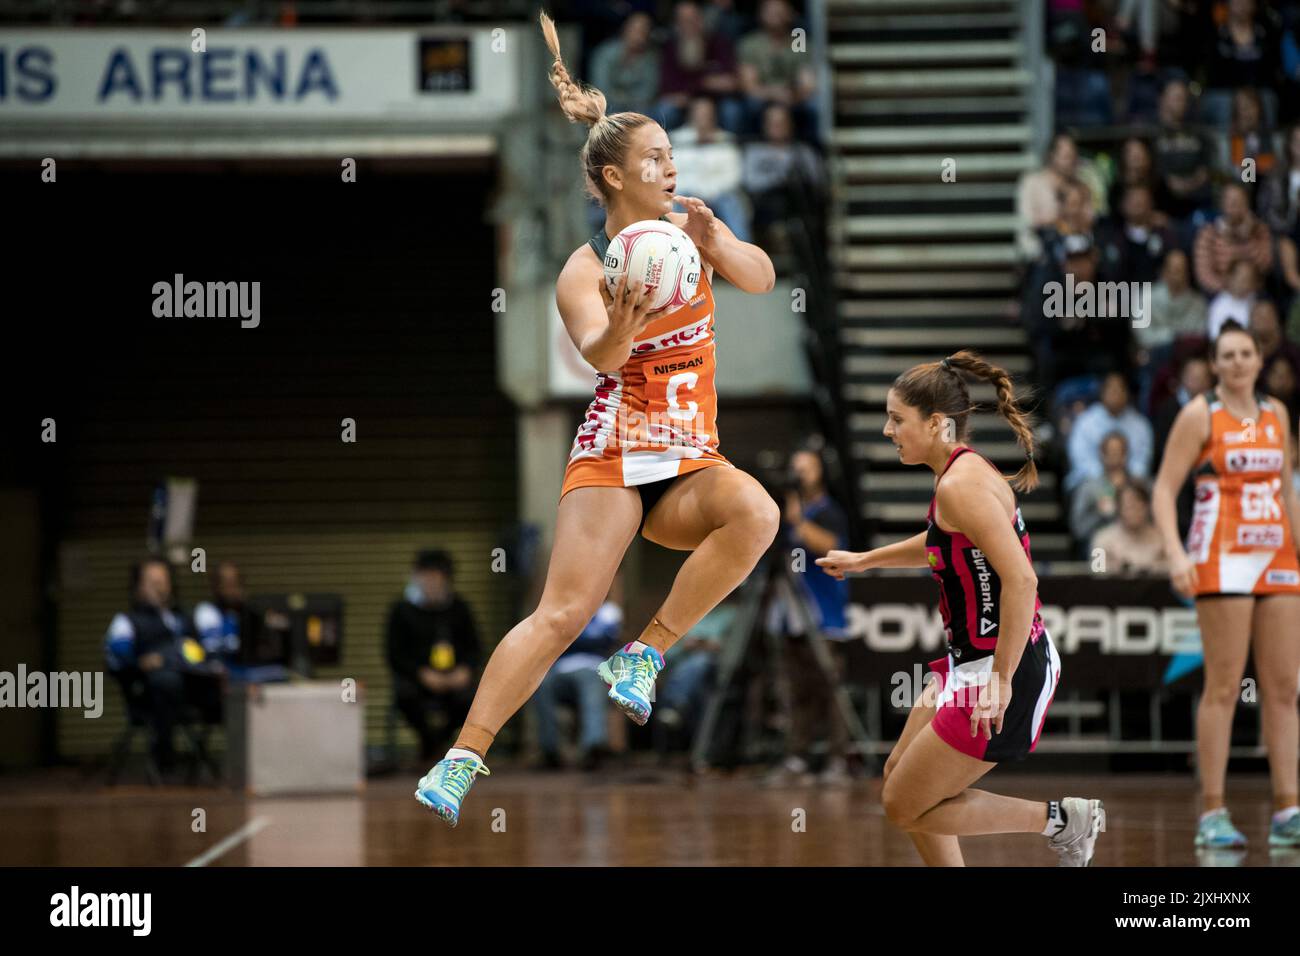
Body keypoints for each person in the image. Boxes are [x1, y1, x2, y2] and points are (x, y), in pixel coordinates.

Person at [414, 11, 779, 826]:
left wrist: (721, 240)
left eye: (672, 156)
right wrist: (621, 320)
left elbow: (761, 278)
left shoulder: (689, 231)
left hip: (690, 451)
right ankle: (462, 758)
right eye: (656, 159)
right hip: (619, 444)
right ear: (614, 177)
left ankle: (643, 653)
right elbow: (602, 358)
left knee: (757, 513)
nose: (671, 168)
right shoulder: (585, 267)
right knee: (562, 612)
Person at [817, 352, 1105, 866]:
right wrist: (865, 560)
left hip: (1002, 664)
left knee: (904, 805)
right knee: (899, 778)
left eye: (897, 419)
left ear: (936, 424)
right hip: (970, 662)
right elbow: (941, 542)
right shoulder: (958, 477)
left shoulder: (961, 485)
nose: (887, 430)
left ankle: (1062, 820)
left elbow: (1021, 579)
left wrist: (1001, 679)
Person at [1152, 321, 1300, 849]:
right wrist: (1175, 554)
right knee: (1223, 686)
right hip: (1221, 555)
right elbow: (1165, 489)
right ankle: (1212, 812)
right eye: (1227, 355)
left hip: (1276, 554)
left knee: (1284, 689)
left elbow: (1284, 488)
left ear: (1260, 361)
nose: (1238, 362)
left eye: (1246, 353)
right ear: (1215, 364)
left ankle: (1289, 809)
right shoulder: (1200, 415)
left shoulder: (1278, 414)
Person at [765, 444, 854, 785]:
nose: (799, 476)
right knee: (794, 690)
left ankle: (837, 760)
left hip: (824, 615)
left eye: (807, 469)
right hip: (790, 616)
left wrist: (797, 520)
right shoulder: (788, 513)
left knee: (830, 688)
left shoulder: (828, 511)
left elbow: (827, 546)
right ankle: (797, 757)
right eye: (795, 468)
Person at [386, 549, 483, 762]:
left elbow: (475, 647)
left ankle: (442, 740)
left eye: (436, 577)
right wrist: (421, 674)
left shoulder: (460, 608)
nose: (431, 582)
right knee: (406, 696)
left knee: (473, 698)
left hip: (454, 678)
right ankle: (429, 742)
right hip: (418, 680)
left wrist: (465, 670)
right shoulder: (402, 610)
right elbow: (394, 653)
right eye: (426, 576)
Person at [530, 586, 623, 770]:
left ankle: (593, 747)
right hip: (559, 671)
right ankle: (549, 749)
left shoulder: (608, 611)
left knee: (590, 682)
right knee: (538, 685)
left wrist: (570, 635)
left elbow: (602, 638)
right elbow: (548, 641)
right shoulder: (563, 608)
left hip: (593, 667)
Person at [1065, 371, 1154, 493]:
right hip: (1092, 481)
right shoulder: (1085, 422)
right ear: (1102, 393)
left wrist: (1124, 479)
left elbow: (1141, 462)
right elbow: (1081, 461)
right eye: (1111, 390)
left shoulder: (1140, 424)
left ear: (1127, 393)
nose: (1115, 394)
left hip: (1130, 482)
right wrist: (1107, 480)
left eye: (1119, 390)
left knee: (1150, 488)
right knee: (1086, 489)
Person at [1069, 431, 1131, 553]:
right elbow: (1078, 529)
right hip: (1100, 545)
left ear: (1126, 455)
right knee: (1099, 564)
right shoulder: (1088, 488)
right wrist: (1099, 514)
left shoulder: (1138, 487)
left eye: (1119, 452)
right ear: (1101, 454)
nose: (1114, 455)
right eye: (1110, 451)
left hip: (1135, 545)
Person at [1091, 481, 1168, 573]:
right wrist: (1116, 568)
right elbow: (1096, 573)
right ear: (1118, 508)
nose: (1133, 511)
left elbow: (1172, 570)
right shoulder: (1101, 539)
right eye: (1128, 506)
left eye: (1138, 505)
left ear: (1147, 506)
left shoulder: (1163, 539)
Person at [192, 560, 244, 668]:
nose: (233, 589)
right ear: (216, 586)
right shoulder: (206, 612)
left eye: (236, 583)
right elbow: (213, 652)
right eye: (228, 584)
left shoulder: (244, 613)